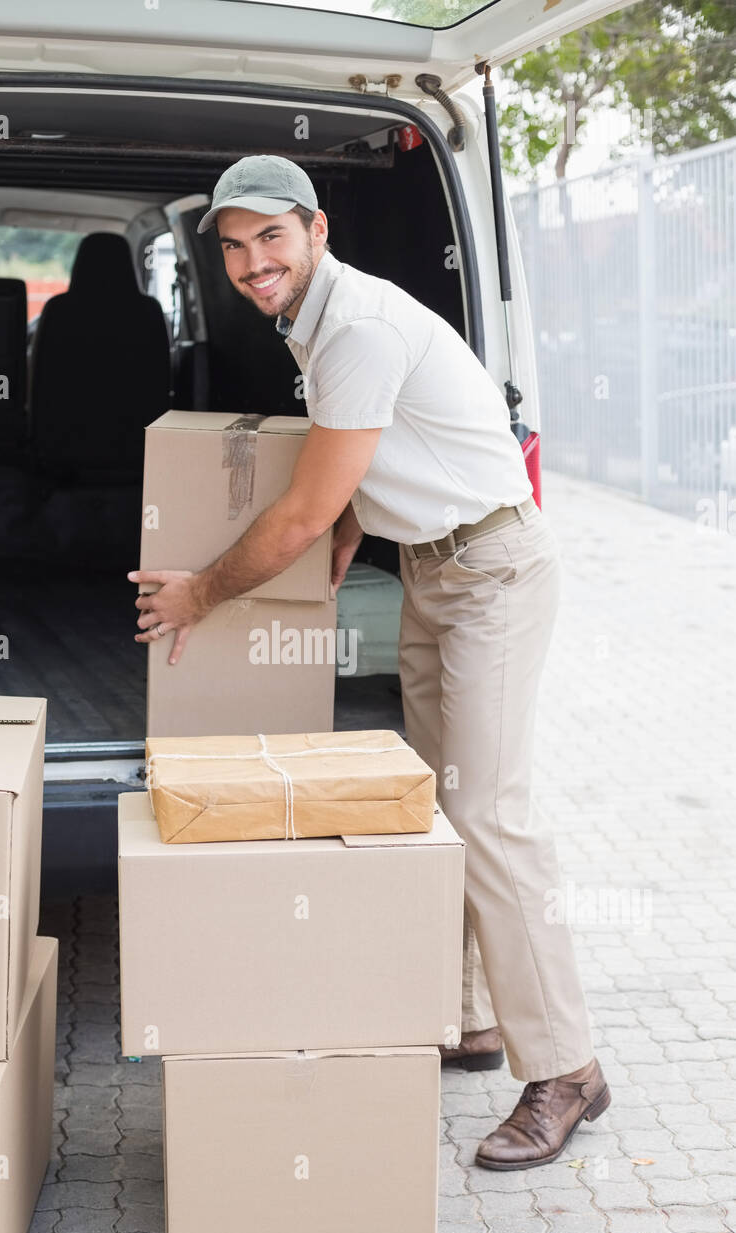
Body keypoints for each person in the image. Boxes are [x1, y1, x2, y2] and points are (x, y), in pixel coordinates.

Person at [128, 155, 610, 1169]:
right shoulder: (310, 316)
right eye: (234, 245)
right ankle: (472, 1020)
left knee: (488, 811)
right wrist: (351, 527)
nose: (253, 262)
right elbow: (345, 475)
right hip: (436, 568)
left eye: (271, 237)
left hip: (489, 570)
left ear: (315, 228)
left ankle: (565, 1067)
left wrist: (198, 594)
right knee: (438, 800)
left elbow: (298, 509)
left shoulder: (352, 326)